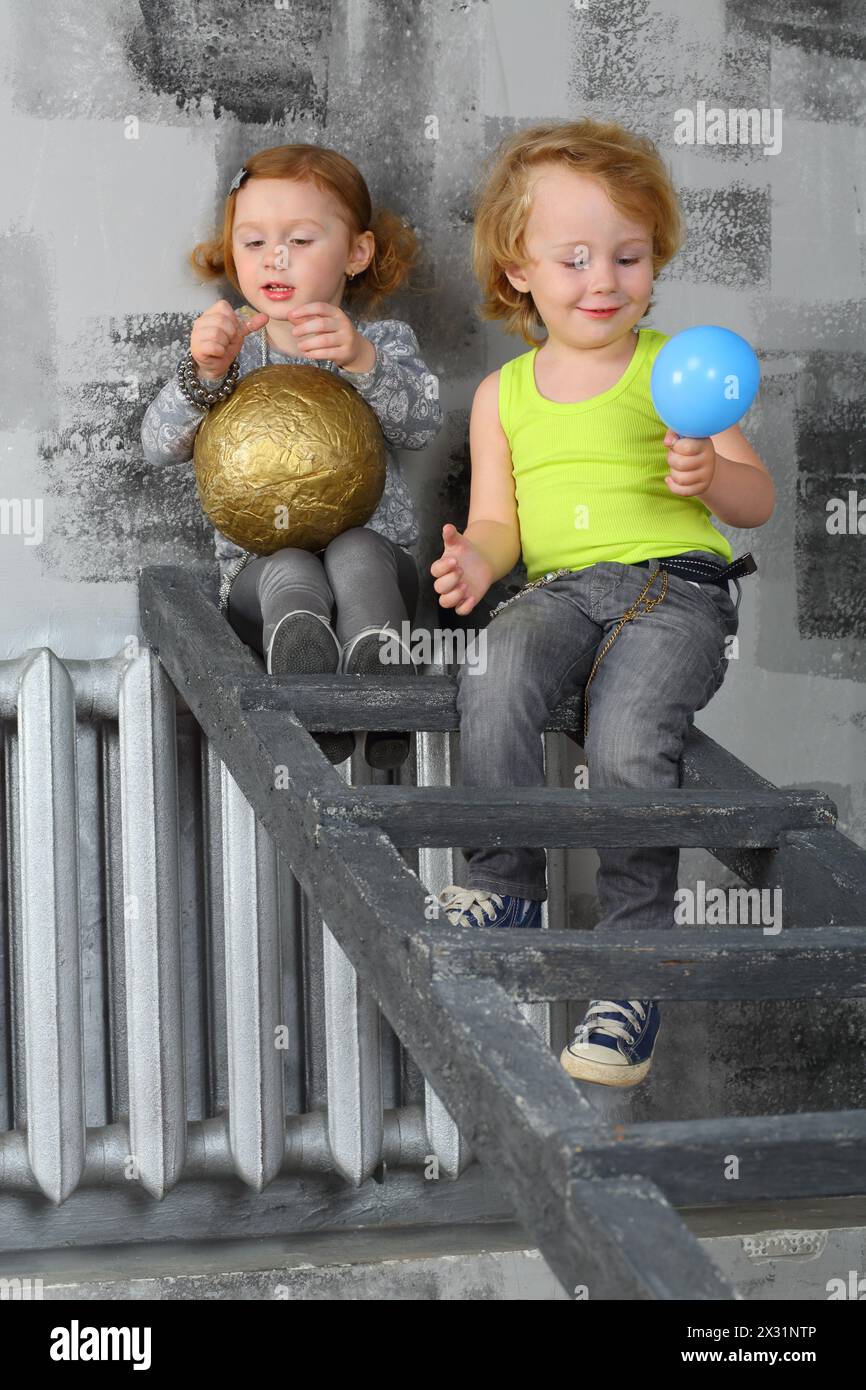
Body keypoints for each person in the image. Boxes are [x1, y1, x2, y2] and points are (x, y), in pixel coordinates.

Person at [429, 119, 775, 1087]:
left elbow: (755, 501)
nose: (602, 280)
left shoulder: (675, 369)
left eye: (626, 256)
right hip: (558, 592)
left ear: (653, 260)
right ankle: (502, 882)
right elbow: (499, 520)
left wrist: (708, 473)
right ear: (517, 268)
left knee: (627, 741)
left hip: (676, 591)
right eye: (572, 257)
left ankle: (630, 976)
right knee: (495, 671)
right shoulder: (502, 393)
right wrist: (472, 559)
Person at [141, 143, 441, 769]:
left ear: (357, 253)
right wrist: (202, 372)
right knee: (291, 568)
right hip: (260, 574)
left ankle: (385, 689)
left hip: (378, 566)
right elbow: (158, 444)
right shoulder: (230, 352)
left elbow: (420, 424)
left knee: (356, 552)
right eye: (253, 243)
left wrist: (361, 361)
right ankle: (313, 699)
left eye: (300, 240)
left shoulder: (379, 341)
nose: (275, 258)